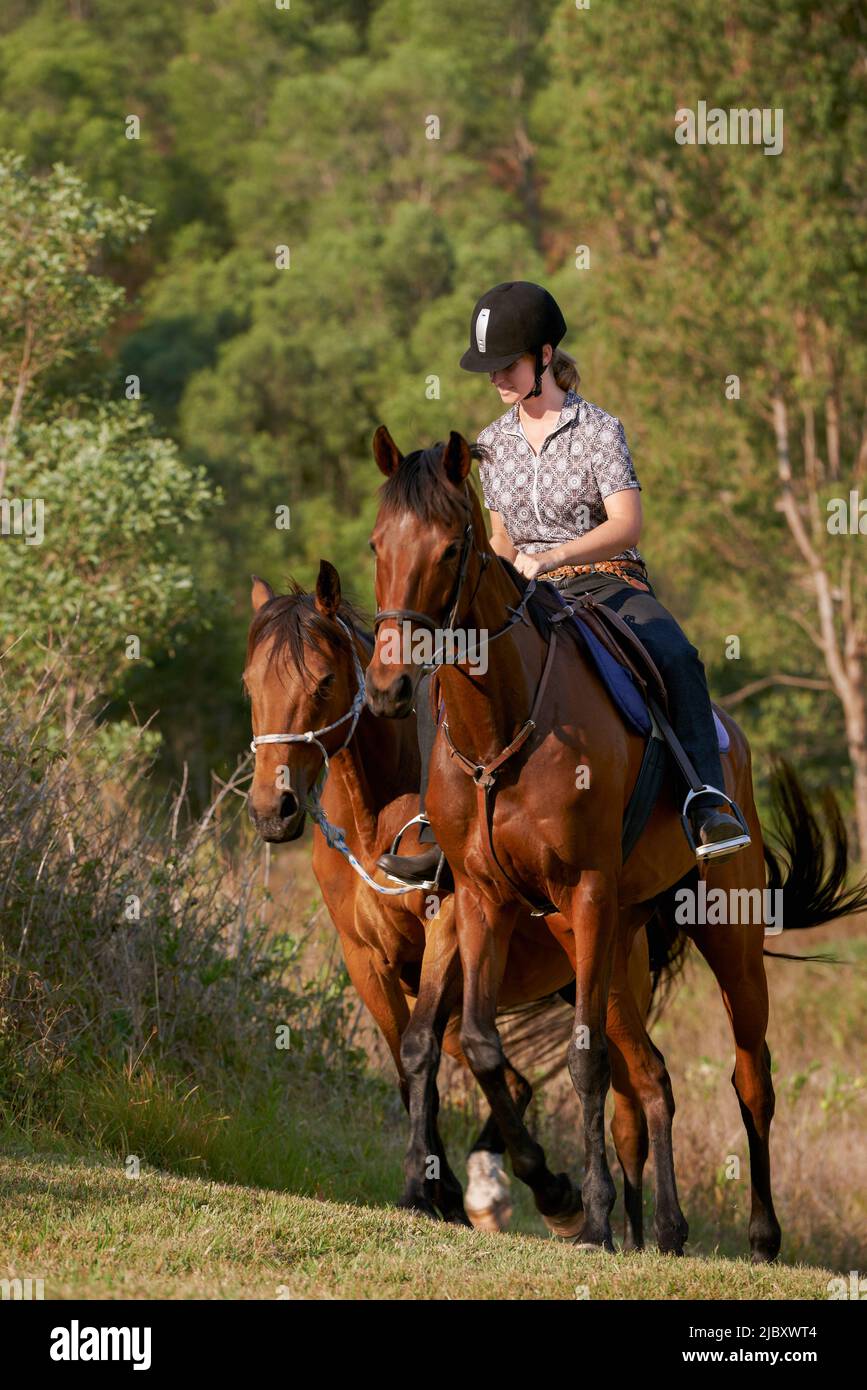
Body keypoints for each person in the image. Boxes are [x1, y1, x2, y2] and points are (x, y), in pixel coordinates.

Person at [377, 280, 749, 889]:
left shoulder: (599, 429)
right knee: (443, 667)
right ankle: (438, 830)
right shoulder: (491, 444)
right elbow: (498, 540)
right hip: (523, 594)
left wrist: (554, 559)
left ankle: (707, 801)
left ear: (545, 356)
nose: (496, 378)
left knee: (677, 654)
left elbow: (626, 525)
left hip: (606, 582)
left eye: (507, 365)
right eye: (489, 369)